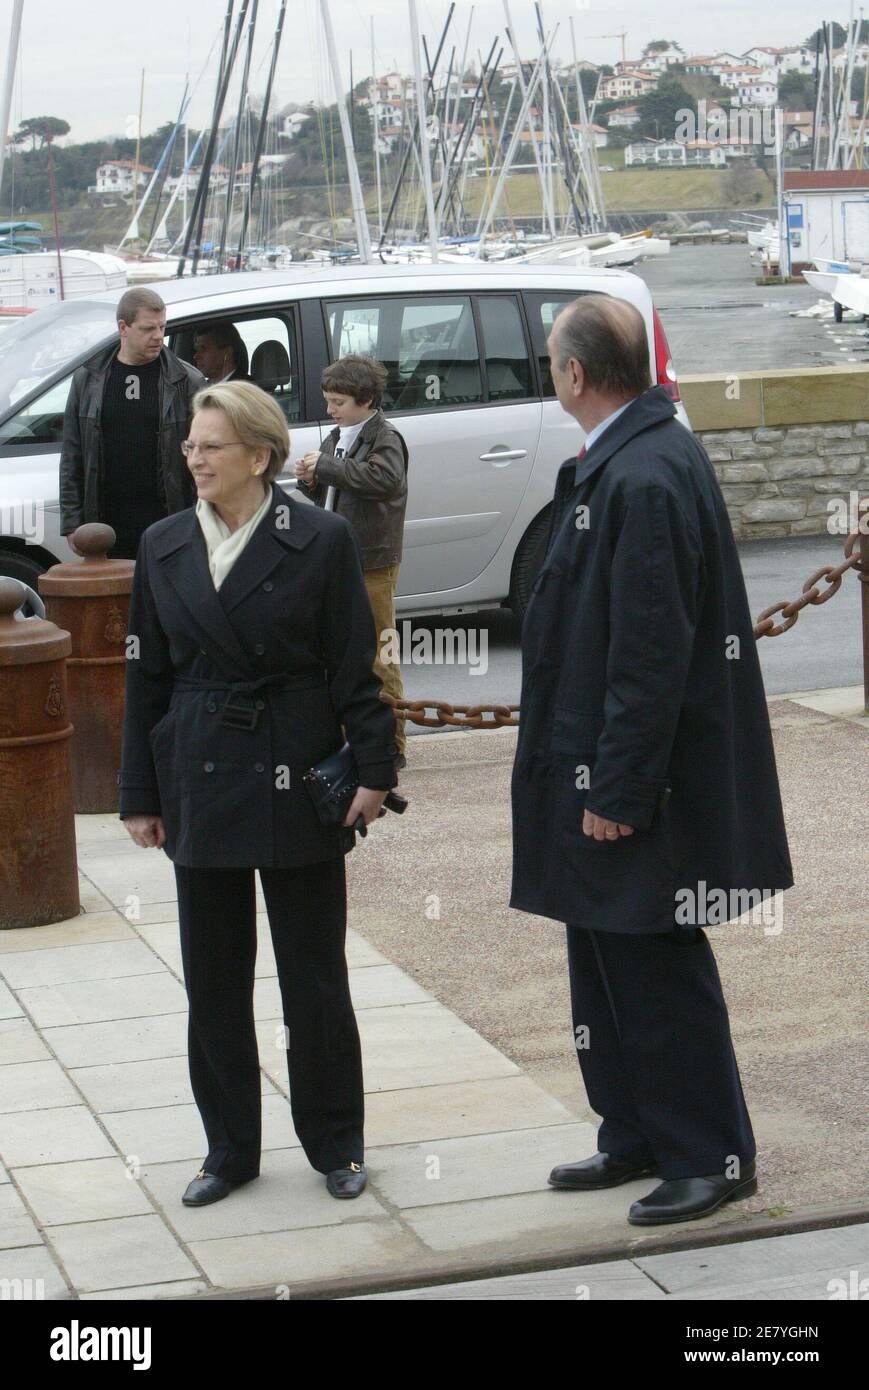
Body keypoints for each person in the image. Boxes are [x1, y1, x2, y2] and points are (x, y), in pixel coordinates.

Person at [509, 293, 793, 1227]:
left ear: (577, 375)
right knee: (601, 956)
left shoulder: (644, 474)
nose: (549, 371)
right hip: (593, 764)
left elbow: (649, 652)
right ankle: (631, 1131)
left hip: (637, 784)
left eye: (552, 359)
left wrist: (620, 788)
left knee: (655, 966)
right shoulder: (629, 456)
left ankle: (709, 1155)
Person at [118, 381, 400, 1208]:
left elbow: (357, 663)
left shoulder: (318, 538)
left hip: (294, 760)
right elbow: (146, 678)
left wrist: (375, 770)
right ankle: (229, 1150)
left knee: (313, 973)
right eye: (190, 447)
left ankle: (336, 1142)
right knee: (213, 977)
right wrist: (141, 791)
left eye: (210, 446)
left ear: (259, 455)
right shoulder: (163, 544)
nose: (193, 458)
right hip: (199, 766)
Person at [294, 354, 409, 768]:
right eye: (328, 400)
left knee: (381, 653)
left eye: (337, 401)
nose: (330, 409)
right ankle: (352, 736)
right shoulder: (339, 436)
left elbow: (382, 480)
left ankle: (393, 745)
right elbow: (335, 494)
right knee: (343, 652)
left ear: (365, 399)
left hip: (372, 561)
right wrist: (312, 481)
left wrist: (325, 466)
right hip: (341, 560)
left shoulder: (385, 437)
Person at [59, 287, 204, 559]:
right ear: (123, 327)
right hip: (106, 526)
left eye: (162, 327)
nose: (159, 336)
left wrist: (201, 521)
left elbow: (204, 456)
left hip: (169, 522)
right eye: (148, 328)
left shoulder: (186, 381)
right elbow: (72, 453)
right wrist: (71, 523)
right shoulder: (88, 379)